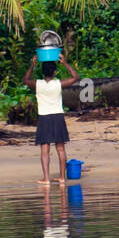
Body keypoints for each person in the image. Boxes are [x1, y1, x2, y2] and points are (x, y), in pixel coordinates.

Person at [23, 53, 80, 185]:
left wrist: (32, 65)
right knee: (60, 149)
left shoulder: (38, 84)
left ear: (43, 73)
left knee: (45, 150)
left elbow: (25, 80)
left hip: (44, 118)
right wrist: (65, 63)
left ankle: (46, 178)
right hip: (58, 117)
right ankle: (61, 177)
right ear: (55, 72)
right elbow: (75, 77)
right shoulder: (58, 84)